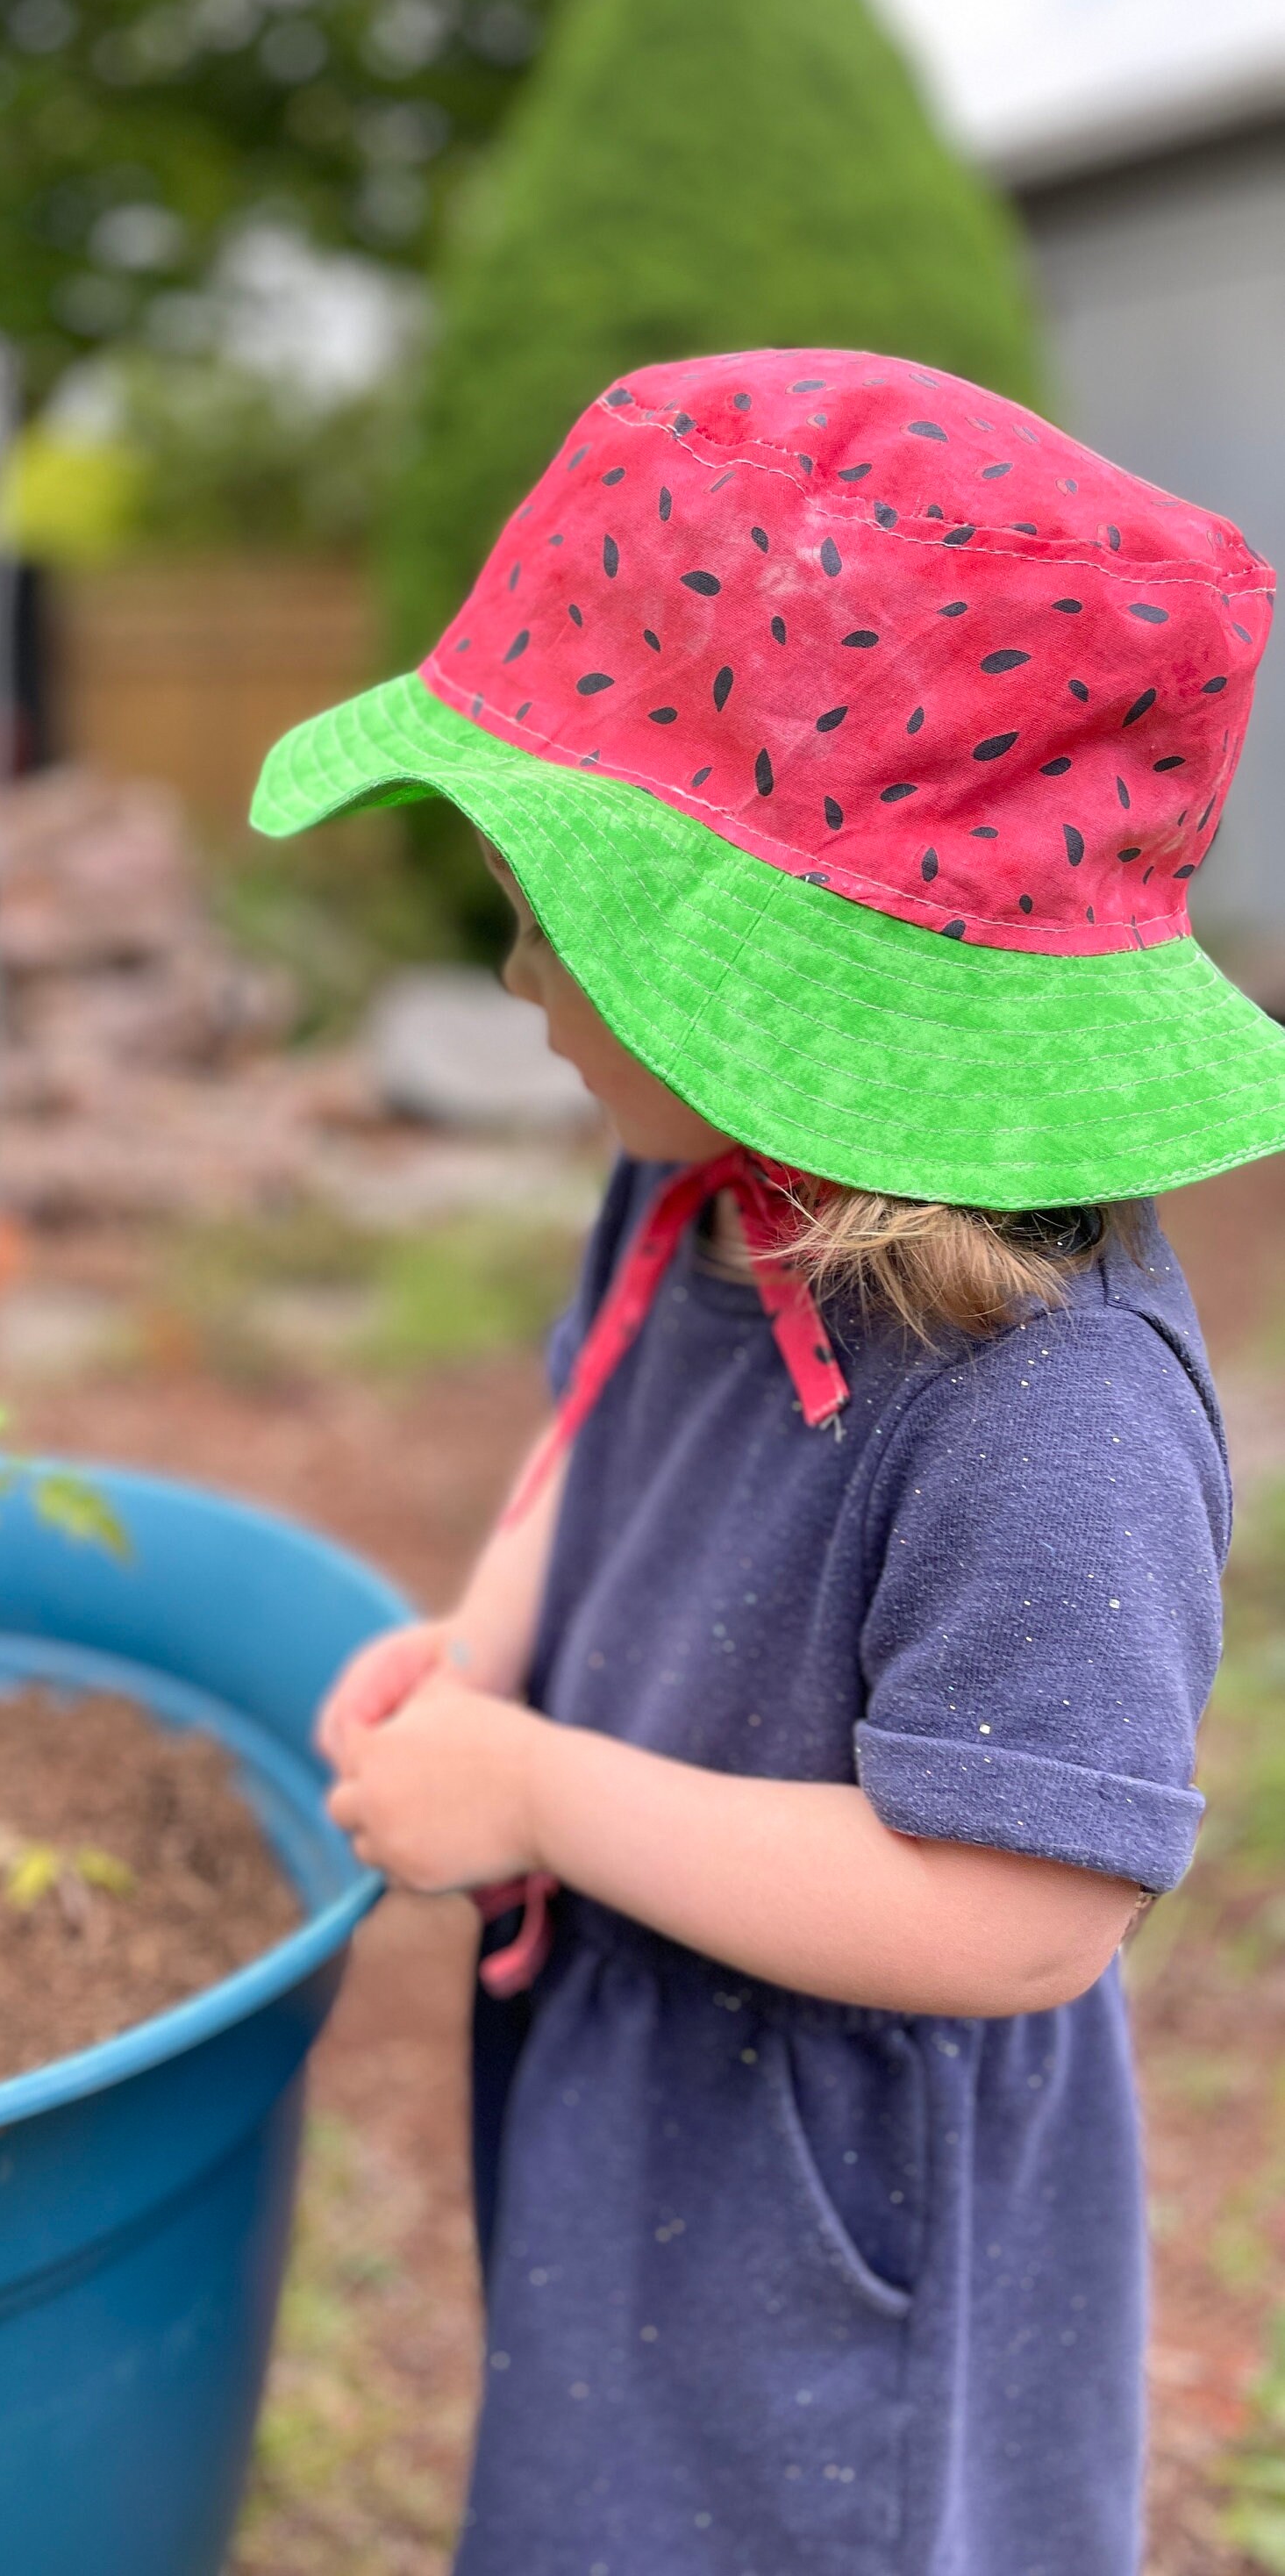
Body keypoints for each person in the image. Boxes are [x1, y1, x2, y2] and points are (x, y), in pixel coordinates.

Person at [249, 347, 1285, 2576]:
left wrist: (534, 1791)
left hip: (850, 2195)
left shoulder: (1049, 1410)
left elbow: (1016, 1919)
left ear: (793, 973)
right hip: (664, 2070)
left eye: (562, 910)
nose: (518, 970)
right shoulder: (712, 1168)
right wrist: (482, 1647)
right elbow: (594, 1415)